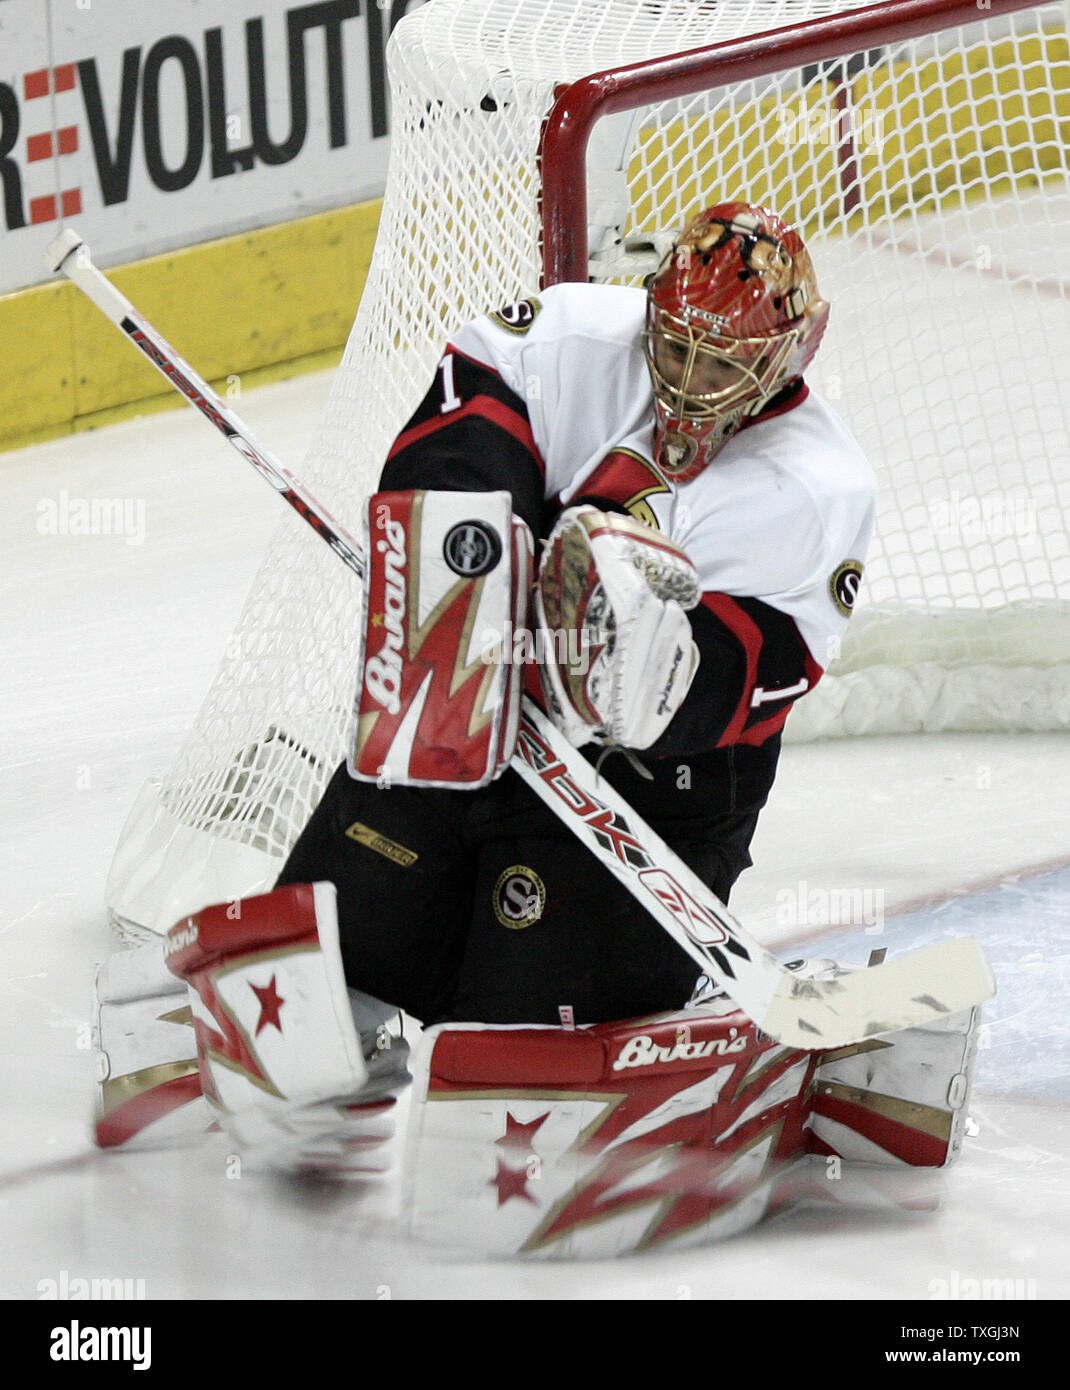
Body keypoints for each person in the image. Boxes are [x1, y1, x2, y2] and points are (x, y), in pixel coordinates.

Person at [271, 201, 877, 1030]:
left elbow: (769, 670)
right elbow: (470, 412)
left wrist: (656, 679)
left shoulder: (819, 490)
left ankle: (668, 980)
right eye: (674, 347)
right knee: (337, 960)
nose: (688, 384)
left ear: (795, 349)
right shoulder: (573, 336)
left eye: (722, 366)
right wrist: (465, 566)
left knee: (518, 1024)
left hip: (653, 793)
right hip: (471, 715)